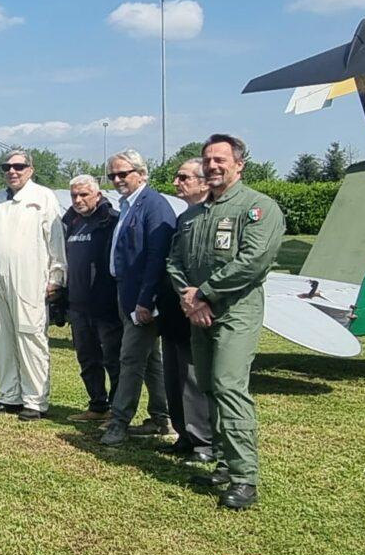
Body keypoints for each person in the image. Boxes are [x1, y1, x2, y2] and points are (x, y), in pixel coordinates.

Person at [167, 135, 284, 510]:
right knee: (207, 385)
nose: (213, 166)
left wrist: (205, 294)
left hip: (235, 311)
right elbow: (175, 263)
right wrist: (189, 297)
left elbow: (253, 262)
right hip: (199, 314)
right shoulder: (192, 216)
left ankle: (244, 477)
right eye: (207, 160)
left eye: (220, 159)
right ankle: (223, 461)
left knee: (229, 385)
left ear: (239, 164)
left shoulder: (258, 208)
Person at [0, 150, 65, 420]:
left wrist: (57, 276)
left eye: (18, 166)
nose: (12, 171)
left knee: (30, 336)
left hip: (30, 277)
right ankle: (9, 395)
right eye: (7, 167)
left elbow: (55, 240)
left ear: (30, 169)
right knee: (1, 333)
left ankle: (35, 400)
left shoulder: (43, 197)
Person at [99, 149, 176, 446]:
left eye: (123, 174)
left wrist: (147, 300)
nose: (117, 179)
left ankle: (119, 421)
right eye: (112, 175)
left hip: (142, 298)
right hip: (127, 292)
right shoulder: (129, 205)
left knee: (130, 359)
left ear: (141, 174)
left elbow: (157, 256)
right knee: (151, 360)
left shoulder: (153, 205)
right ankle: (162, 417)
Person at [159, 159, 216, 462]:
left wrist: (198, 296)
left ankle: (204, 442)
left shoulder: (215, 215)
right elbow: (174, 261)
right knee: (175, 374)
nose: (176, 183)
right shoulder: (186, 217)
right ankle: (184, 433)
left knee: (195, 376)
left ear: (204, 182)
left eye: (183, 177)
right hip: (178, 305)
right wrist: (183, 293)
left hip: (202, 307)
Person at [62, 174, 122, 423]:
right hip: (77, 304)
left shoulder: (111, 220)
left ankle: (118, 411)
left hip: (105, 305)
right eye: (74, 195)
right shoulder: (71, 222)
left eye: (84, 194)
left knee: (113, 359)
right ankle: (97, 405)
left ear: (98, 195)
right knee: (87, 358)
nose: (78, 199)